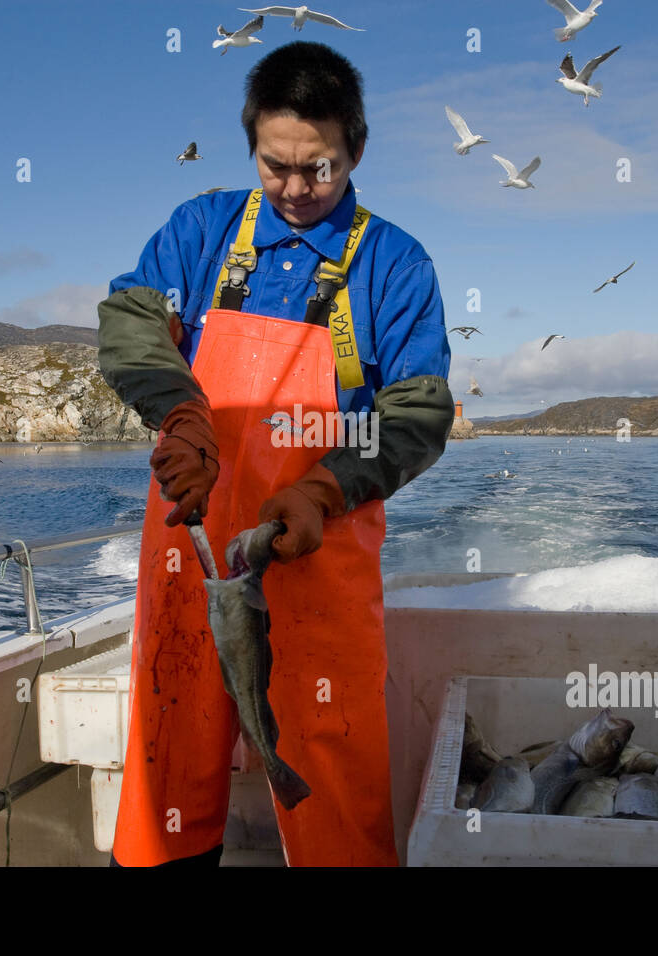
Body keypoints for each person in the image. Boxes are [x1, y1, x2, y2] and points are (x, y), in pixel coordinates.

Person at [96, 41, 453, 867]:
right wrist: (182, 414)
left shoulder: (396, 265)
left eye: (318, 169)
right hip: (192, 549)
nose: (295, 189)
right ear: (252, 146)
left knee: (332, 778)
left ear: (355, 150)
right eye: (275, 165)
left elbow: (416, 414)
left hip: (317, 565)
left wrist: (324, 490)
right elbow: (131, 322)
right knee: (167, 773)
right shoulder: (202, 230)